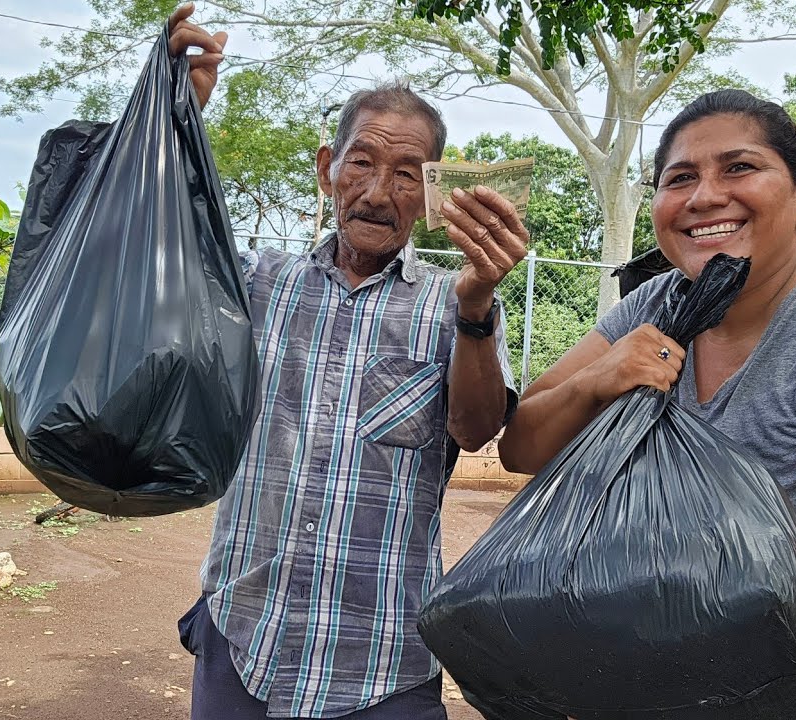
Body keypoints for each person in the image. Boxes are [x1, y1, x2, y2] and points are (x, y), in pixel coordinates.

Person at [497, 89, 796, 719]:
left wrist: (670, 698)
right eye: (681, 178)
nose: (704, 197)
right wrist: (595, 380)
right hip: (688, 654)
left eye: (739, 168)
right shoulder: (657, 305)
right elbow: (522, 448)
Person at [165, 5, 526, 718]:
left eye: (405, 173)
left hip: (382, 663)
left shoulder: (454, 306)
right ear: (330, 169)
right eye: (361, 160)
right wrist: (173, 120)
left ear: (429, 197)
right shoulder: (256, 283)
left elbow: (475, 430)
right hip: (243, 639)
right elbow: (169, 234)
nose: (377, 190)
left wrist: (477, 307)